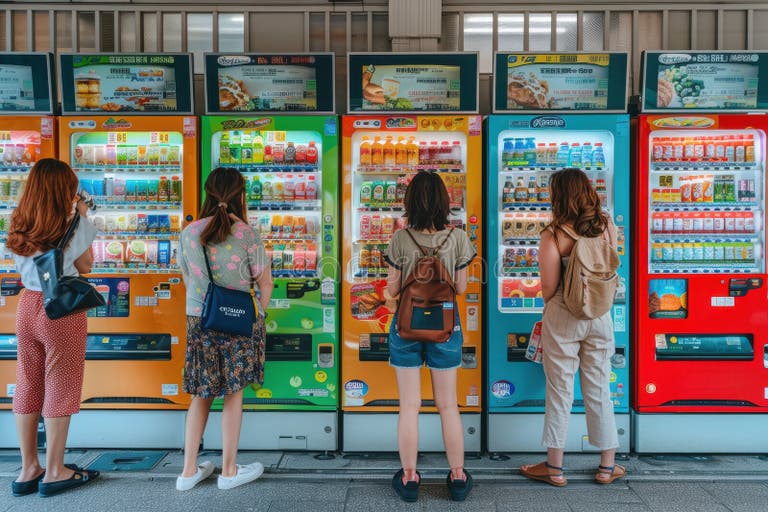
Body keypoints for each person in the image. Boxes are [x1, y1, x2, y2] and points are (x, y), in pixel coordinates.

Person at [520, 168, 625, 486]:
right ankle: (607, 466)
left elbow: (549, 288)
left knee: (560, 391)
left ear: (559, 197)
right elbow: (611, 265)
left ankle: (554, 469)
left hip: (564, 315)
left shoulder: (553, 235)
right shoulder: (606, 225)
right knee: (599, 390)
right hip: (599, 316)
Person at [7, 158, 100, 497]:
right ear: (65, 189)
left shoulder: (19, 220)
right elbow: (86, 266)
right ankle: (56, 470)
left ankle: (29, 467)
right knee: (62, 384)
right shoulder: (72, 223)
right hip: (61, 308)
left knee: (28, 382)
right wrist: (83, 215)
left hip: (28, 304)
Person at [176, 167, 273, 491]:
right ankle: (229, 471)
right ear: (239, 194)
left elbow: (188, 279)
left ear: (207, 193)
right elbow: (265, 282)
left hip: (199, 319)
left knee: (201, 394)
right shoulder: (247, 233)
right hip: (237, 319)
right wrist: (258, 313)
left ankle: (188, 471)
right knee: (233, 393)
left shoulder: (189, 232)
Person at [383, 171, 476, 502]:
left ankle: (409, 478)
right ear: (444, 203)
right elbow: (462, 288)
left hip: (406, 326)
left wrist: (385, 292)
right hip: (445, 328)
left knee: (409, 405)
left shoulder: (399, 239)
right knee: (448, 405)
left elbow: (393, 291)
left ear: (410, 203)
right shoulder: (459, 238)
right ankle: (458, 475)